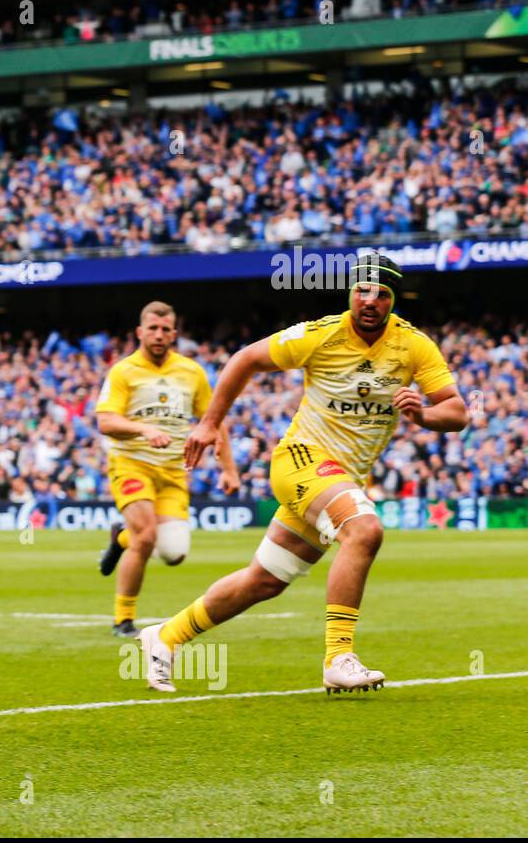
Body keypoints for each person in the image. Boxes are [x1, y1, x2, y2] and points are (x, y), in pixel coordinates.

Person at [138, 254, 469, 693]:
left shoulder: (414, 345)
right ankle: (339, 657)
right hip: (301, 460)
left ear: (393, 299)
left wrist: (425, 416)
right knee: (364, 529)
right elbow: (244, 359)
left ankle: (165, 636)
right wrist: (210, 423)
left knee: (264, 581)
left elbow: (458, 411)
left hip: (337, 480)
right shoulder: (320, 334)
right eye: (362, 290)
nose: (370, 300)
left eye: (381, 293)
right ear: (350, 292)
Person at [96, 302, 239, 637]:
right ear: (140, 332)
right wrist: (144, 430)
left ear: (174, 334)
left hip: (174, 470)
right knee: (146, 537)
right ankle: (123, 619)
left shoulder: (192, 372)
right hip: (132, 463)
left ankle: (120, 538)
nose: (159, 335)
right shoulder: (123, 371)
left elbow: (215, 421)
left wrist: (229, 469)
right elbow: (105, 421)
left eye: (165, 329)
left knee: (174, 553)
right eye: (152, 328)